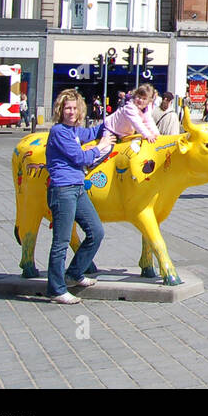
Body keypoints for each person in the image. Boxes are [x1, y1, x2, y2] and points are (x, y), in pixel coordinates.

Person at [43, 89, 110, 304]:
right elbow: (79, 157)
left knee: (96, 231)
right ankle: (56, 289)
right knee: (61, 242)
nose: (71, 112)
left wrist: (118, 118)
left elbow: (92, 132)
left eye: (74, 108)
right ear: (60, 110)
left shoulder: (74, 131)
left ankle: (74, 273)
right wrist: (101, 148)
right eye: (67, 108)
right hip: (63, 190)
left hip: (78, 188)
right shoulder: (59, 132)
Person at [96, 83, 161, 154]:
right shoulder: (130, 107)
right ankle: (95, 162)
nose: (140, 100)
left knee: (129, 150)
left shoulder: (146, 109)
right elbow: (137, 123)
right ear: (135, 96)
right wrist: (148, 135)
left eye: (144, 99)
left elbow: (149, 122)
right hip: (111, 129)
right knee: (106, 149)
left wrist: (157, 134)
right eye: (138, 97)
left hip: (124, 134)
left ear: (149, 101)